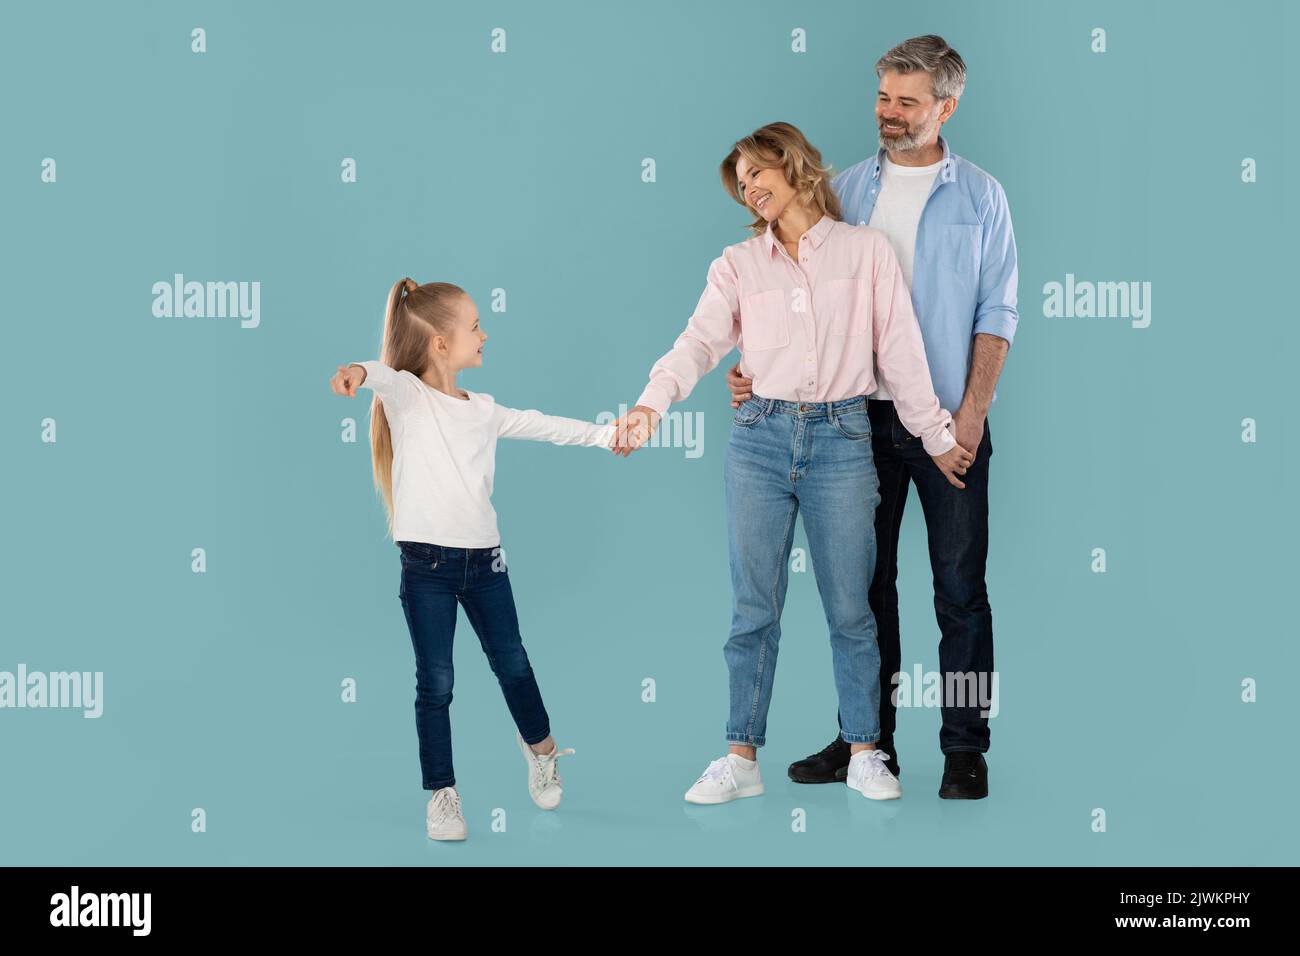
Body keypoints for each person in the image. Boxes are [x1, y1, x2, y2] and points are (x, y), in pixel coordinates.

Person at [609, 122, 973, 804]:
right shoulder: (739, 264)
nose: (748, 186)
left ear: (792, 164)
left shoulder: (866, 253)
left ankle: (866, 751)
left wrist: (935, 436)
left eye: (756, 171)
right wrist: (649, 406)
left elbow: (899, 352)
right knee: (753, 608)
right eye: (740, 181)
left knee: (852, 609)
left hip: (842, 439)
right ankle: (740, 758)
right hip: (759, 440)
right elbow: (697, 343)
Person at [727, 35, 1018, 799]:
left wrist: (972, 417)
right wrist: (758, 371)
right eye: (884, 97)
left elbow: (998, 312)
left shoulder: (983, 197)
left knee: (960, 588)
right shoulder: (847, 191)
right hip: (850, 424)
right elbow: (796, 289)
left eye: (907, 101)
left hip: (949, 422)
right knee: (863, 589)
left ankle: (964, 747)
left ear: (946, 106)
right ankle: (869, 742)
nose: (889, 113)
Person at [330, 277, 615, 839]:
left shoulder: (483, 410)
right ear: (440, 342)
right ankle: (443, 795)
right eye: (476, 325)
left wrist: (610, 437)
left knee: (512, 663)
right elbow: (378, 372)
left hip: (486, 567)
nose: (485, 334)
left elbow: (547, 425)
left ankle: (542, 750)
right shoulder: (408, 397)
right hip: (426, 569)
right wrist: (354, 374)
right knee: (436, 682)